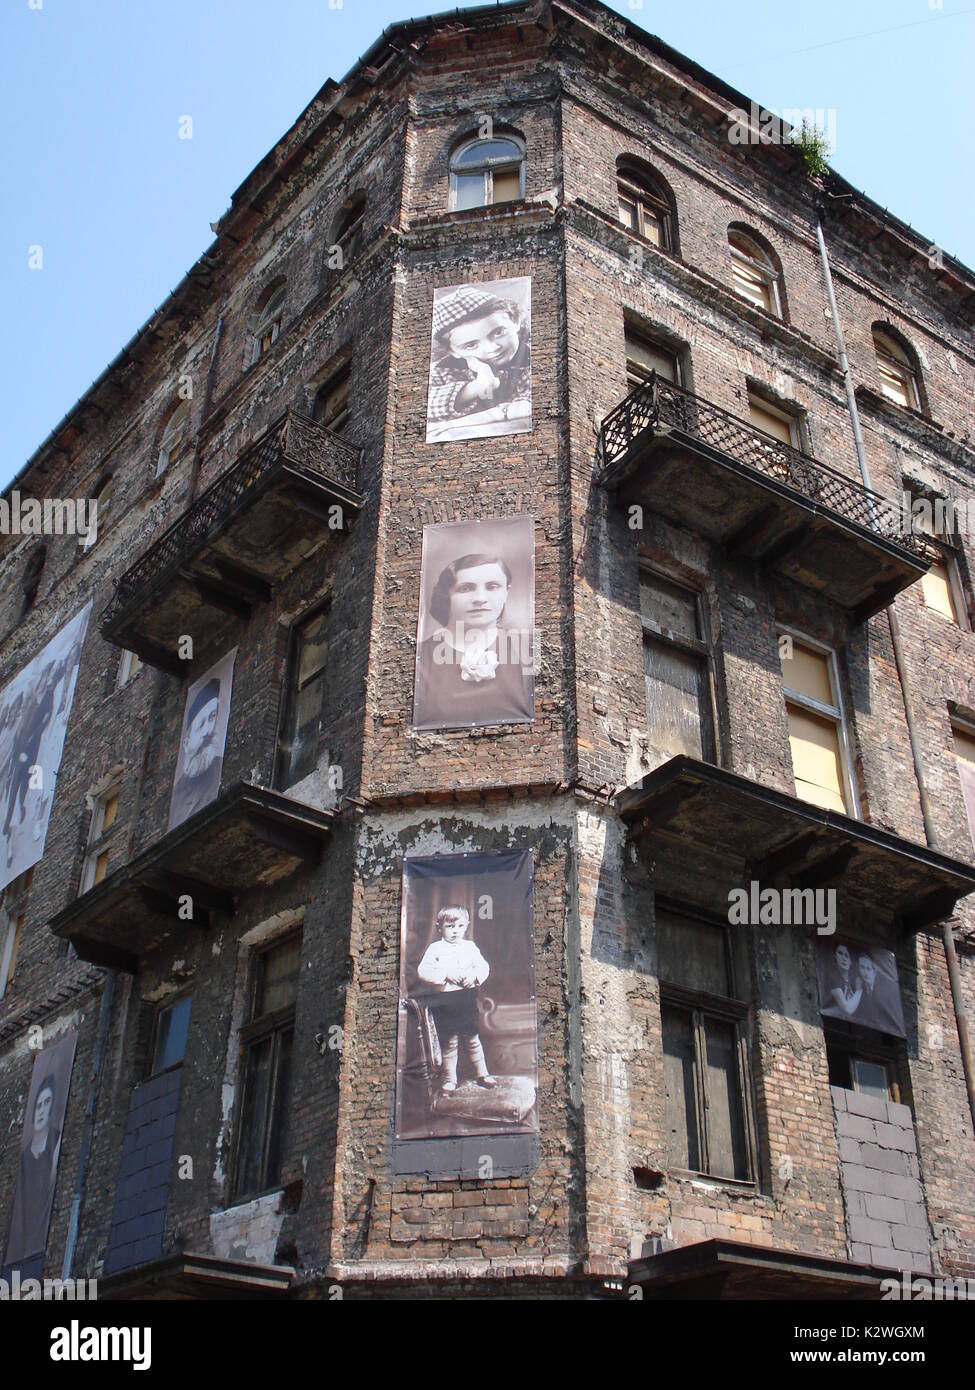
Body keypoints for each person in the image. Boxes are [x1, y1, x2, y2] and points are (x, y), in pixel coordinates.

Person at [413, 551, 533, 729]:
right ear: (448, 595)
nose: (479, 599)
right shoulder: (422, 656)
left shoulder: (528, 648)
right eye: (465, 588)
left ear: (506, 592)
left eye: (492, 586)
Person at [416, 906, 496, 1095]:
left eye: (460, 926)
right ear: (439, 928)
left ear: (466, 926)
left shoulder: (470, 947)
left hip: (466, 998)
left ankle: (482, 1074)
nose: (455, 931)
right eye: (450, 926)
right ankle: (450, 1079)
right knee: (449, 1042)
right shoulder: (435, 948)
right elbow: (423, 971)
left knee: (472, 1038)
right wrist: (445, 975)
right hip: (445, 1001)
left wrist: (474, 977)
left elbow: (483, 967)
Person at [427, 286, 531, 430]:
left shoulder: (536, 360)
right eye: (471, 345)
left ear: (515, 320)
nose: (492, 348)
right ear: (453, 351)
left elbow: (525, 410)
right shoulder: (441, 371)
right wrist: (476, 388)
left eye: (498, 332)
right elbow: (423, 408)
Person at [4, 1074, 61, 1265]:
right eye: (38, 1105)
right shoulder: (24, 1157)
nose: (41, 1110)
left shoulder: (56, 1141)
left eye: (47, 1103)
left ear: (52, 1107)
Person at [169, 677, 224, 829]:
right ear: (186, 743)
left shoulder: (222, 768)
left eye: (213, 717)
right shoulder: (177, 794)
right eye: (201, 724)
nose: (208, 730)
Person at [855, 952, 905, 1035]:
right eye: (862, 968)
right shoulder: (860, 986)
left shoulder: (884, 987)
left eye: (868, 968)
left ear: (874, 971)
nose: (865, 972)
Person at [823, 942, 862, 1018]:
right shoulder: (832, 979)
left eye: (847, 956)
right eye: (840, 953)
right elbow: (847, 1009)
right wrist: (859, 991)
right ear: (835, 956)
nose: (843, 958)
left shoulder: (853, 982)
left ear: (850, 961)